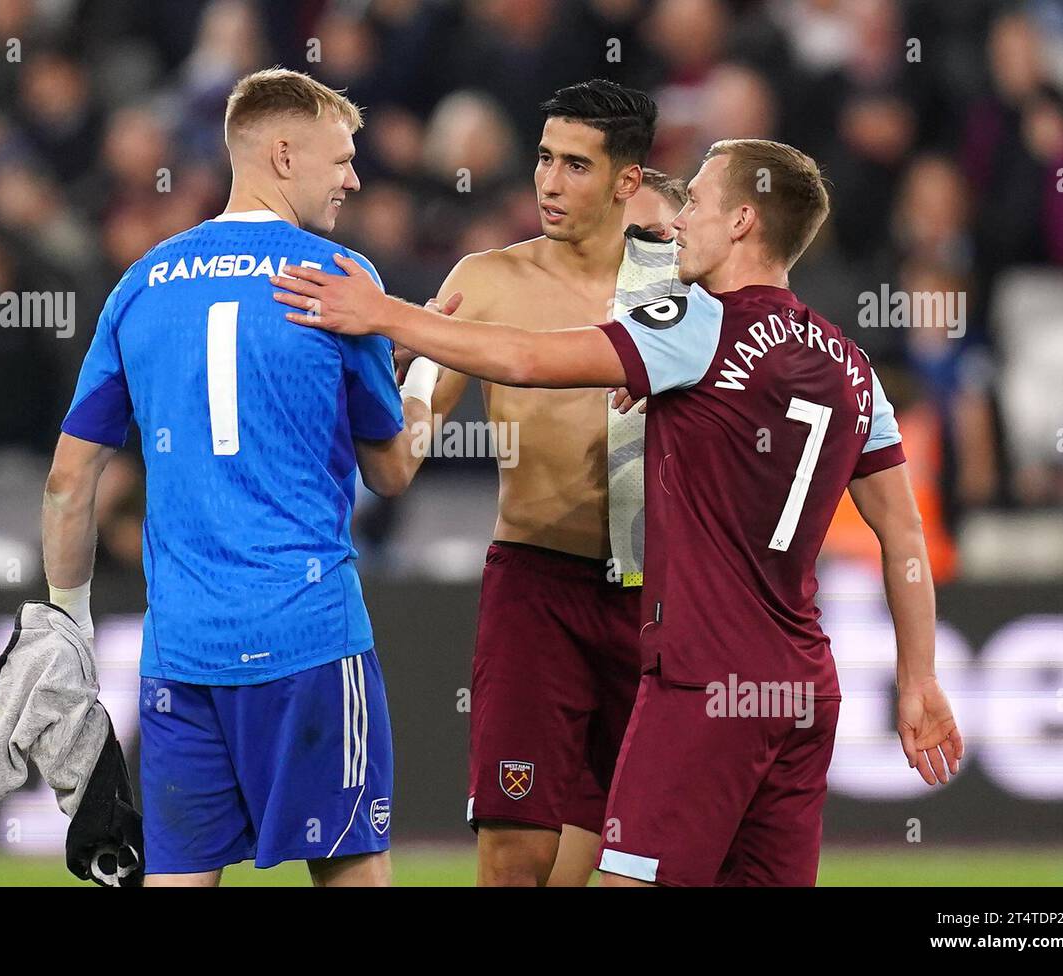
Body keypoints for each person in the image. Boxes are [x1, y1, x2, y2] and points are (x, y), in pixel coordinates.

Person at [270, 137, 965, 887]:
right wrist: (918, 677)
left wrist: (385, 314)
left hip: (701, 682)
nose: (678, 224)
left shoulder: (695, 324)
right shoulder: (851, 364)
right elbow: (902, 532)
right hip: (803, 690)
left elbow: (526, 360)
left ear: (740, 222)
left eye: (695, 202)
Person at [41, 68, 435, 887]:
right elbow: (391, 470)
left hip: (182, 652)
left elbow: (69, 482)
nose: (355, 178)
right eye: (341, 160)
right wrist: (427, 379)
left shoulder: (141, 283)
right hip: (309, 639)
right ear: (284, 155)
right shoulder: (335, 280)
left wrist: (69, 622)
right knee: (350, 873)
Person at [408, 80, 660, 886]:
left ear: (627, 180)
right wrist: (391, 386)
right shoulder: (486, 281)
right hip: (535, 586)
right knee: (517, 853)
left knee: (625, 856)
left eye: (577, 165)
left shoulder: (686, 285)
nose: (549, 182)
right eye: (545, 159)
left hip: (656, 595)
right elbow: (413, 433)